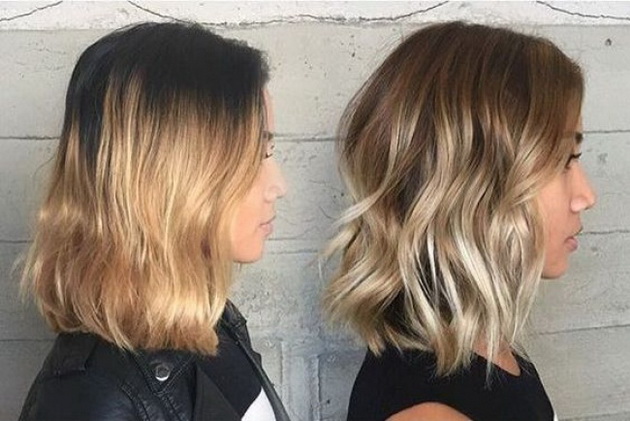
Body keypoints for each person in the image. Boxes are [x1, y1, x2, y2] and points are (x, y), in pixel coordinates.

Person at [324, 21, 596, 421]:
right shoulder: (430, 412)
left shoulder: (478, 348)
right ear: (474, 187)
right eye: (563, 161)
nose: (586, 196)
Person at [19, 22, 289, 421]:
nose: (278, 185)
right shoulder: (90, 401)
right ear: (173, 176)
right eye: (256, 154)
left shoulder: (212, 323)